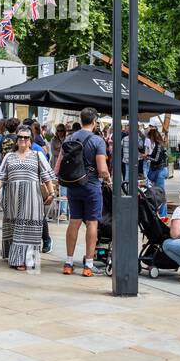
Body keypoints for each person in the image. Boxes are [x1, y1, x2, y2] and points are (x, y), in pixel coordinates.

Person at [0, 125, 55, 271]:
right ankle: (16, 257)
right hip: (12, 197)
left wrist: (51, 193)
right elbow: (1, 176)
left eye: (26, 137)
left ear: (30, 140)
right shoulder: (9, 156)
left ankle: (26, 259)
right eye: (20, 137)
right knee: (15, 227)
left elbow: (46, 177)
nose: (22, 140)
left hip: (32, 197)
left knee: (27, 227)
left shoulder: (37, 155)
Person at [57, 107, 110, 277]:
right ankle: (88, 264)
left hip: (73, 185)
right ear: (94, 121)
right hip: (91, 186)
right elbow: (102, 169)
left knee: (74, 222)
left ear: (81, 120)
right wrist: (108, 178)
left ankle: (69, 262)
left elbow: (58, 167)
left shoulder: (69, 138)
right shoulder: (97, 141)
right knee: (92, 223)